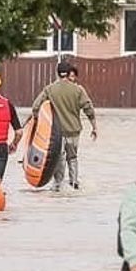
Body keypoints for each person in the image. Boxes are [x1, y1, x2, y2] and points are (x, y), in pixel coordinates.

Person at [28, 61, 98, 192]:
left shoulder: (50, 89)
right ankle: (74, 183)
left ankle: (58, 185)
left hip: (57, 133)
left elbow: (35, 107)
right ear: (69, 73)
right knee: (72, 157)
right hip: (74, 131)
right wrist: (94, 127)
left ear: (57, 73)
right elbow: (89, 109)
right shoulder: (78, 90)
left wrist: (38, 122)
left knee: (59, 158)